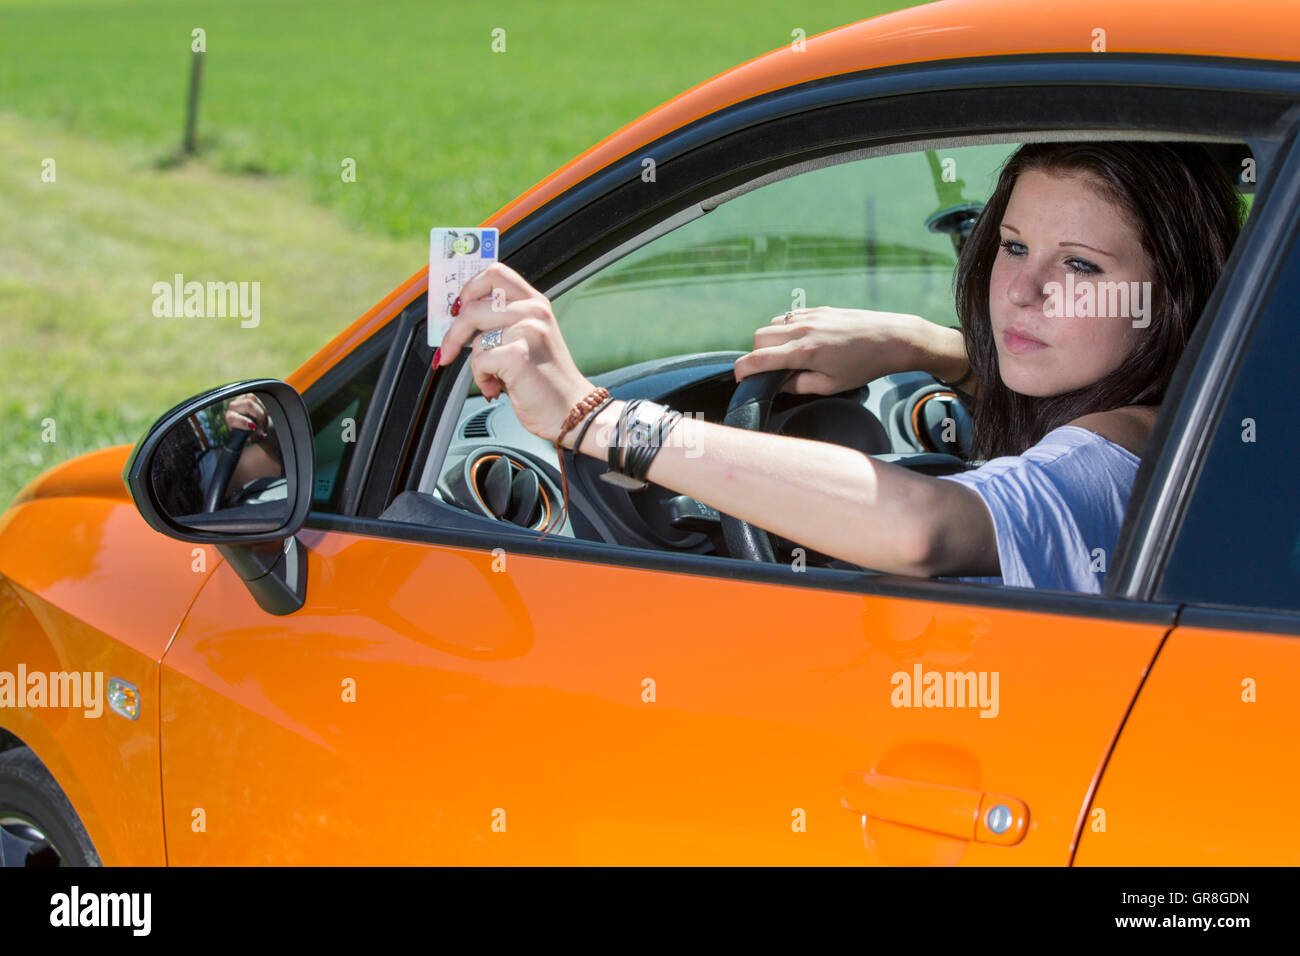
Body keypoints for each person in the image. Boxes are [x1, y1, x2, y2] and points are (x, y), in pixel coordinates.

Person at [435, 141, 1244, 592]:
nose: (1022, 291)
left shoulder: (1106, 465)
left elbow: (921, 528)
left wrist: (599, 418)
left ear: (1171, 294)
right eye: (1013, 245)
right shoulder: (1213, 410)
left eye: (1082, 268)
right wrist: (922, 345)